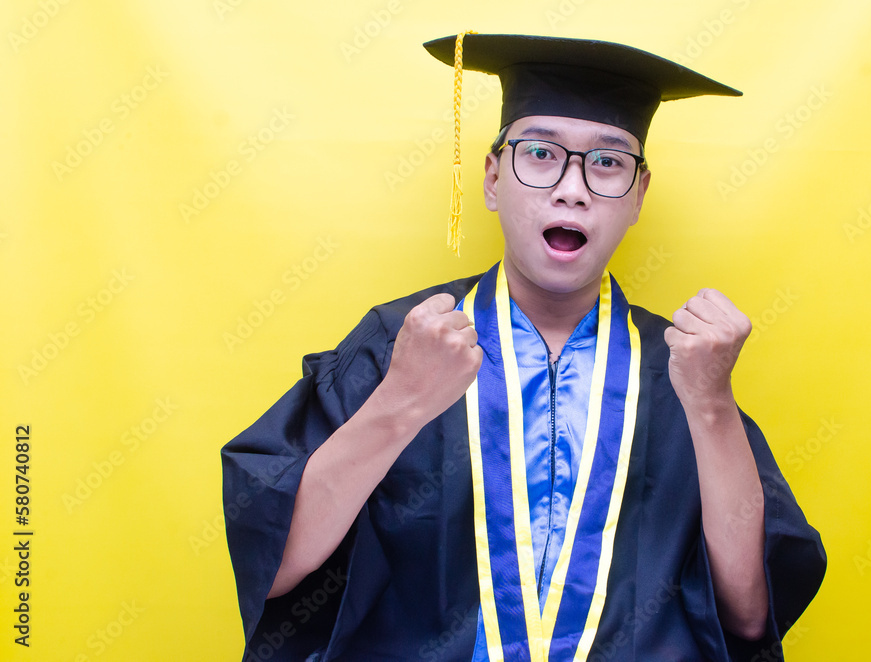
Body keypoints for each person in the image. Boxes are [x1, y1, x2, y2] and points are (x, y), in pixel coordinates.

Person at [222, 33, 826, 662]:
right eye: (539, 153)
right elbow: (276, 568)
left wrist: (711, 406)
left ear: (640, 194)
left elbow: (751, 617)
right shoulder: (400, 346)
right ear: (491, 176)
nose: (572, 188)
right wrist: (399, 403)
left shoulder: (684, 367)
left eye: (608, 163)